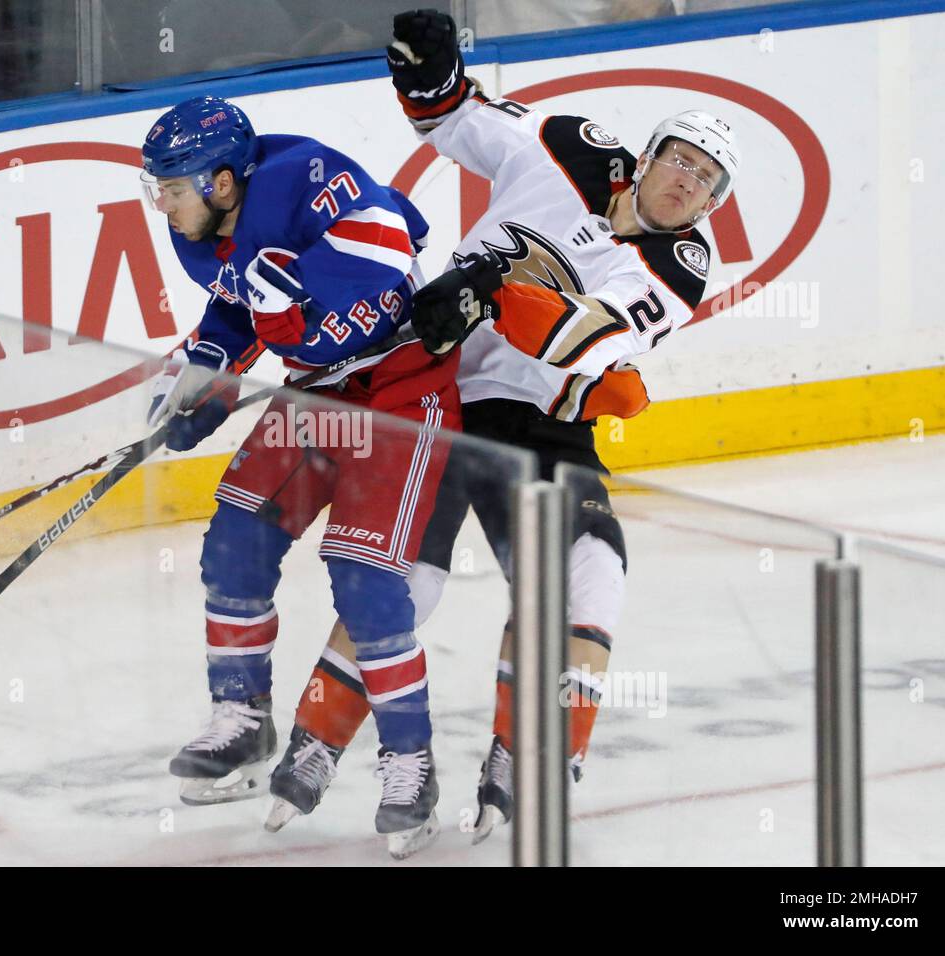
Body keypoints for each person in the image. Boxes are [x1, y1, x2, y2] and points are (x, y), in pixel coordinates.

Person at [266, 8, 740, 843]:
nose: (687, 184)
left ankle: (531, 752)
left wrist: (492, 291)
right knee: (408, 582)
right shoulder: (569, 144)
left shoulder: (680, 268)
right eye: (681, 161)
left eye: (707, 182)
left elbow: (590, 337)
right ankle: (314, 743)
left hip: (543, 422)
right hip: (437, 390)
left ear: (711, 205)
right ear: (650, 153)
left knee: (590, 575)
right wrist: (428, 73)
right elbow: (456, 121)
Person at [143, 94, 462, 858]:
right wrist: (199, 385)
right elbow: (233, 318)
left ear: (223, 181)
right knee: (234, 543)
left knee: (365, 580)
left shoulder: (303, 177)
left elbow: (391, 242)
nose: (163, 202)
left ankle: (410, 766)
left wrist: (298, 302)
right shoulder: (198, 235)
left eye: (174, 186)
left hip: (400, 387)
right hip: (320, 393)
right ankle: (244, 723)